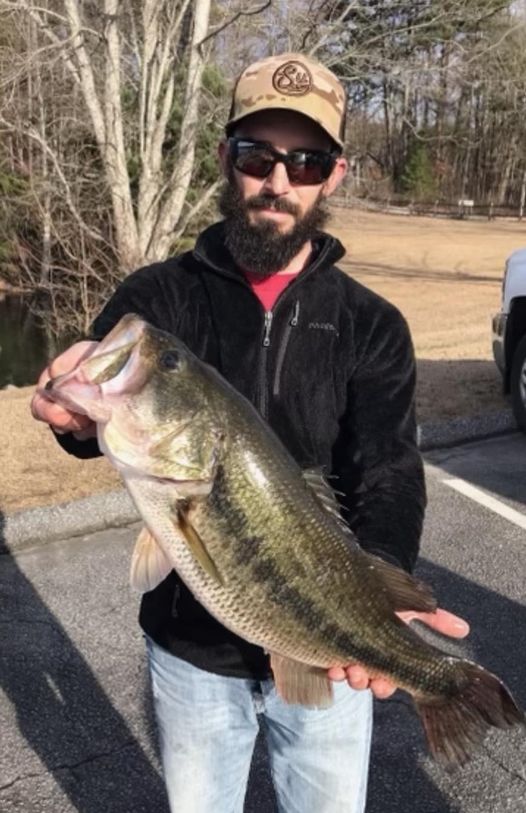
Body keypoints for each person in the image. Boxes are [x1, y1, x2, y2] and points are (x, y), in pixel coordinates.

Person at [31, 53, 469, 813]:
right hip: (191, 656)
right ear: (225, 160)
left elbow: (388, 467)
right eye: (256, 155)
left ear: (335, 174)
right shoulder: (156, 298)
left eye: (305, 161)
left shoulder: (372, 324)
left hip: (328, 659)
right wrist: (71, 416)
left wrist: (384, 577)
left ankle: (446, 686)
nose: (278, 181)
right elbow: (100, 414)